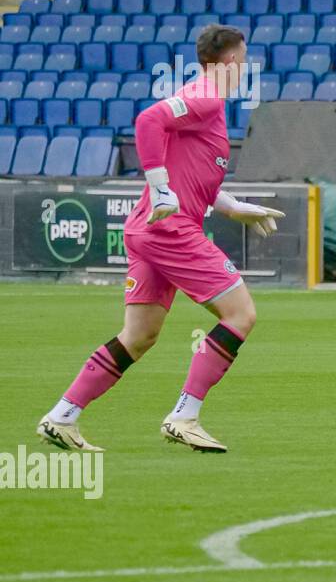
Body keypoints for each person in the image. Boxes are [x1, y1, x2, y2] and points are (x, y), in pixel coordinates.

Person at [35, 25, 285, 453]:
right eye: (243, 60)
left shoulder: (206, 101)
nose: (246, 68)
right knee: (240, 315)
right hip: (170, 229)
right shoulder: (204, 95)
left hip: (149, 229)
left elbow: (191, 168)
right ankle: (185, 416)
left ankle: (62, 416)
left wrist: (231, 206)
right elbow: (147, 120)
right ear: (228, 62)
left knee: (139, 335)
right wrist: (161, 187)